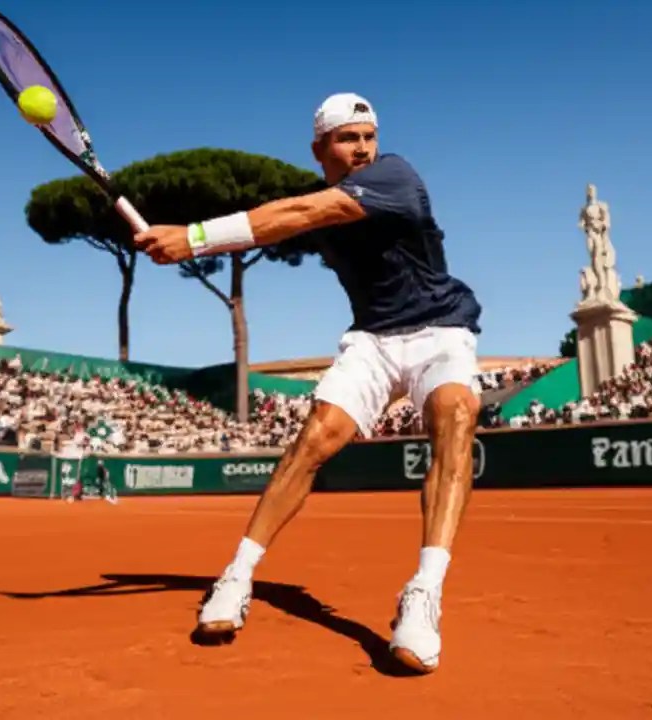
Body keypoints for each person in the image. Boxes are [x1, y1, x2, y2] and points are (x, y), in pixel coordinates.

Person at [132, 93, 483, 674]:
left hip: (439, 331)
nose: (364, 147)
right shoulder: (322, 195)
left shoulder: (396, 176)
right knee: (315, 438)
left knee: (455, 414)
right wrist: (176, 242)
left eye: (369, 135)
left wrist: (191, 238)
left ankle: (424, 593)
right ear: (320, 149)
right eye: (349, 138)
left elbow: (294, 216)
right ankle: (237, 575)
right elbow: (270, 224)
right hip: (372, 337)